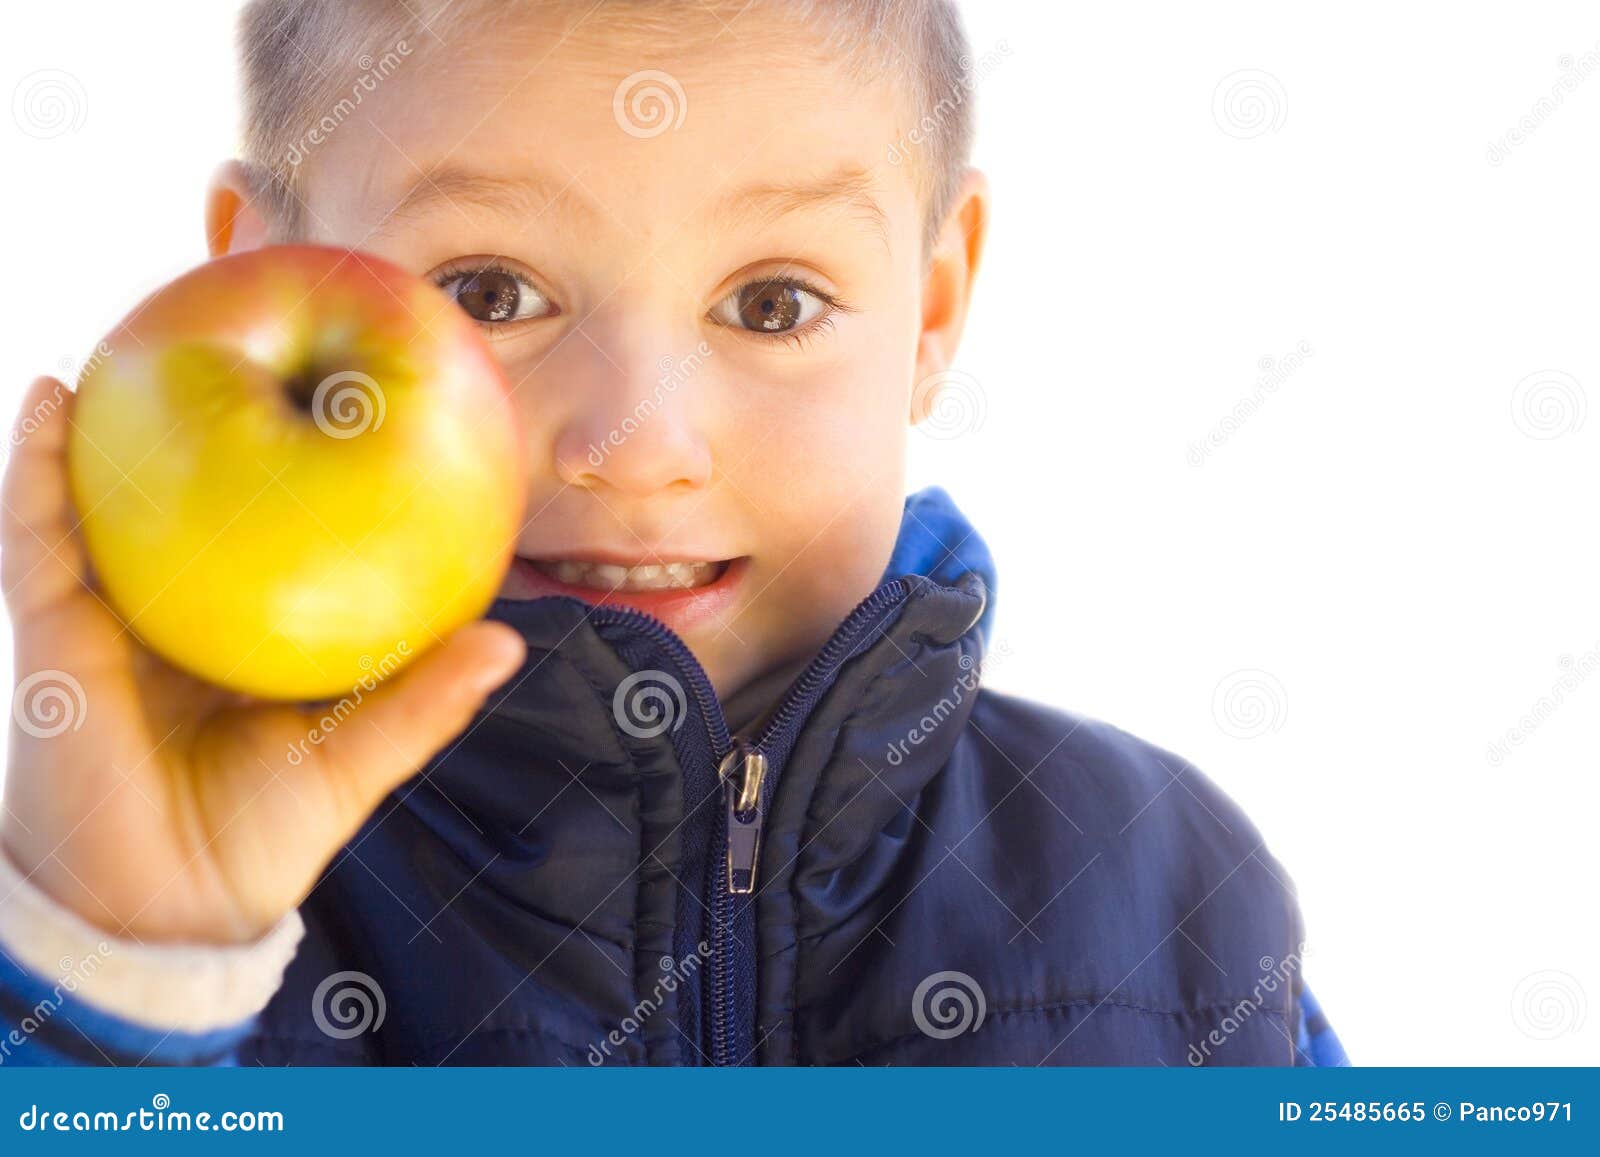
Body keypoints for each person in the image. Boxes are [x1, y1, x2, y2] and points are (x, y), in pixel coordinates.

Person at [0, 0, 1347, 1066]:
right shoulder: (160, 915)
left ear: (932, 315)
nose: (638, 446)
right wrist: (115, 981)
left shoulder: (1172, 897)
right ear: (263, 285)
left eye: (772, 303)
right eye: (490, 289)